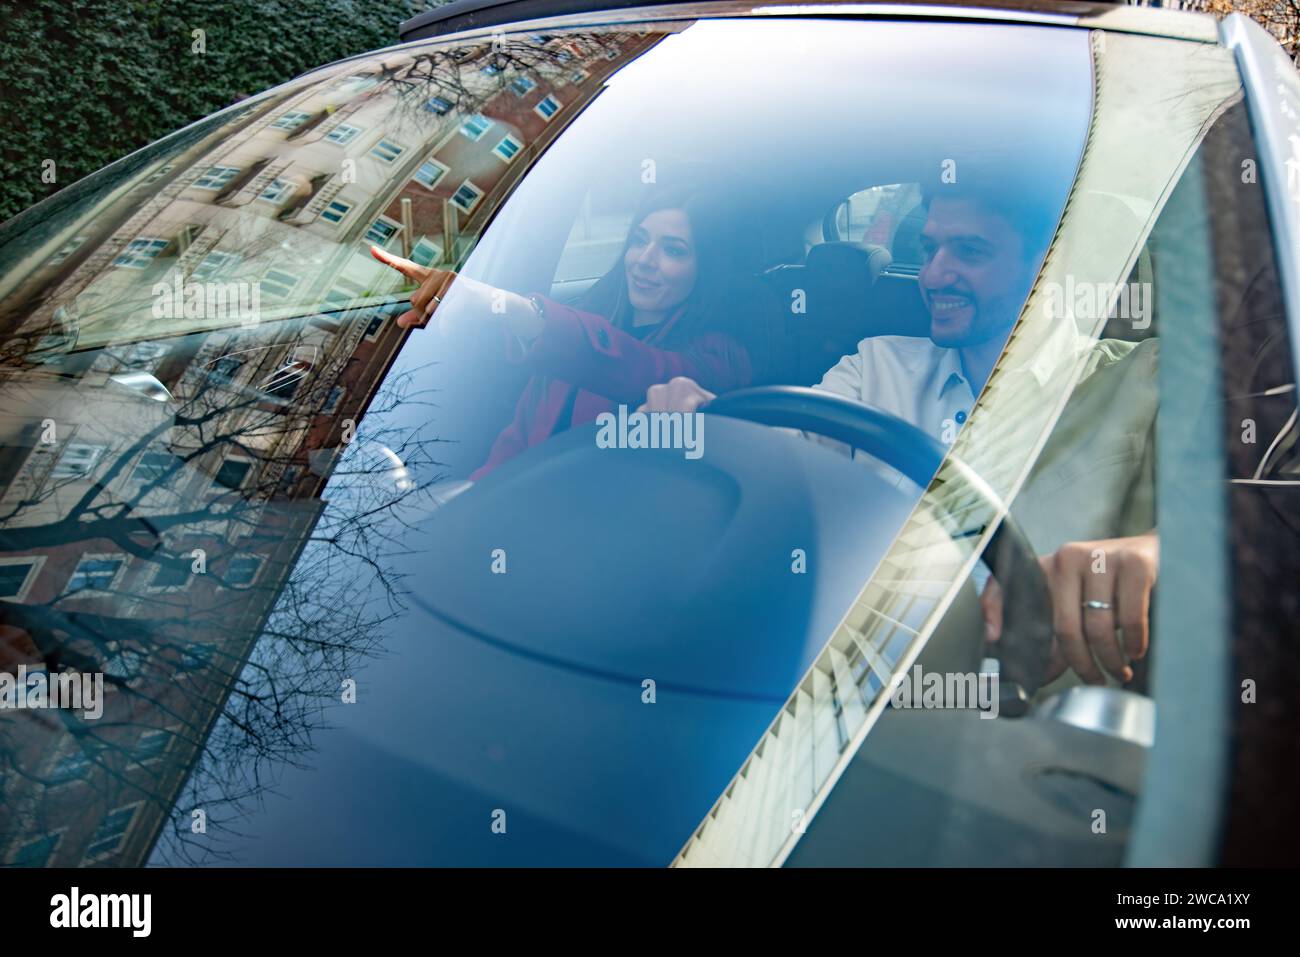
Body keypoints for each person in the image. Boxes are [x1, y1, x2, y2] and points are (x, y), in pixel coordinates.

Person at [639, 183, 1159, 692]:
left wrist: (1156, 554)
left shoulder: (1140, 381)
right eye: (928, 249)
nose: (933, 275)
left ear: (1048, 261)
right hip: (832, 703)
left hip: (1031, 726)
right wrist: (707, 431)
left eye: (970, 252)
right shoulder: (875, 365)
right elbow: (781, 455)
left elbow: (1222, 525)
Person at [373, 185, 765, 479]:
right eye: (639, 241)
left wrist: (510, 308)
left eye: (674, 250)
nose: (644, 261)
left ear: (706, 268)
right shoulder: (586, 330)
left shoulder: (720, 358)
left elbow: (641, 370)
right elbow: (510, 455)